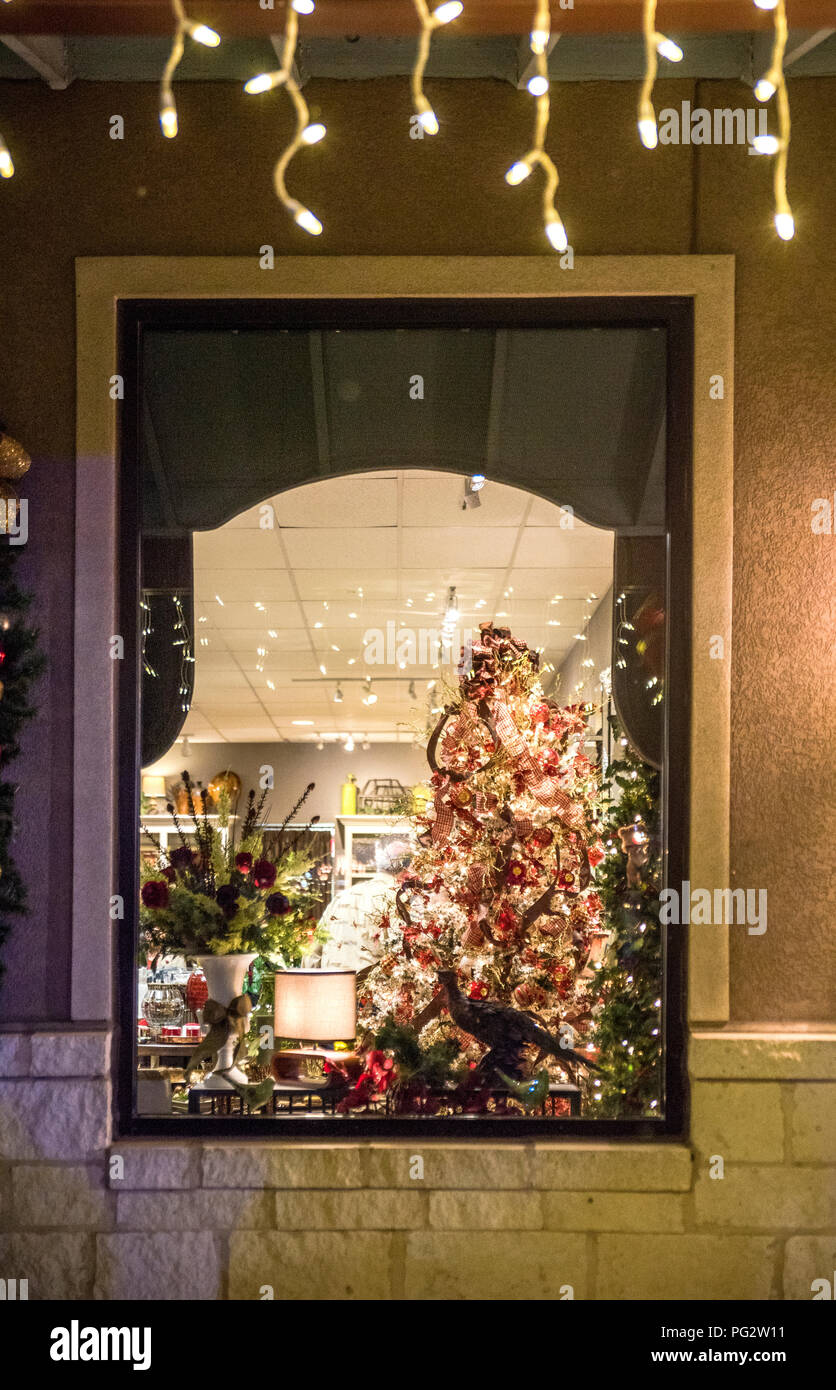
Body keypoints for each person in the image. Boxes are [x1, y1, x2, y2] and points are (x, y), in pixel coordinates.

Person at [312, 836, 413, 972]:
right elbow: (403, 958)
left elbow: (312, 954)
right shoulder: (398, 902)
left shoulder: (341, 898)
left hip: (331, 987)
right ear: (407, 869)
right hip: (369, 990)